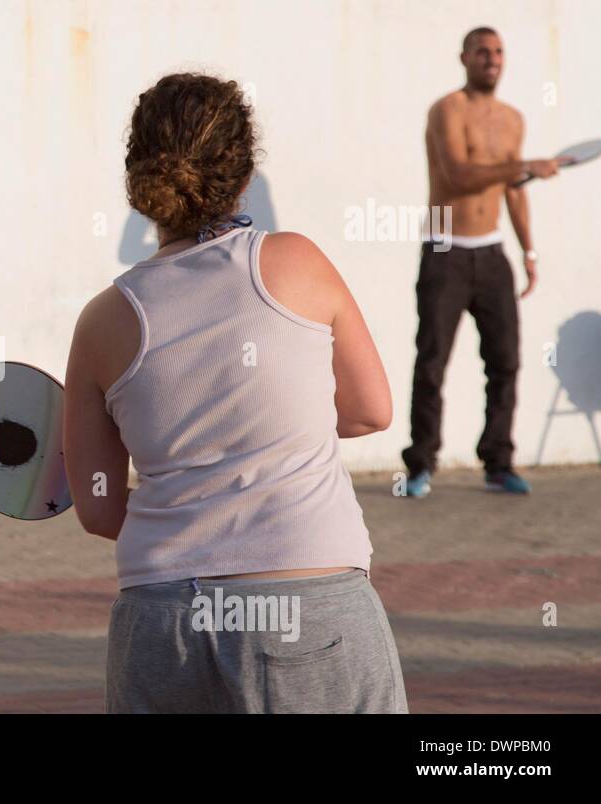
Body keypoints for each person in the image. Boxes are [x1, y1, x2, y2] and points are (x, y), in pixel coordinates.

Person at [64, 73, 406, 713]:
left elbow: (99, 511)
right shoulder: (298, 261)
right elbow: (370, 409)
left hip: (161, 621)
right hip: (308, 604)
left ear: (138, 182)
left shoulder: (103, 319)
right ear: (244, 176)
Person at [402, 26, 562, 498]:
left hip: (493, 255)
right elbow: (457, 176)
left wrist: (527, 250)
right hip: (446, 251)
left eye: (497, 52)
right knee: (432, 361)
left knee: (506, 362)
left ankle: (498, 463)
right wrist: (526, 166)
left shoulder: (512, 119)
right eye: (482, 52)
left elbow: (513, 192)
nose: (491, 59)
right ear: (464, 58)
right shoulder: (447, 110)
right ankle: (420, 464)